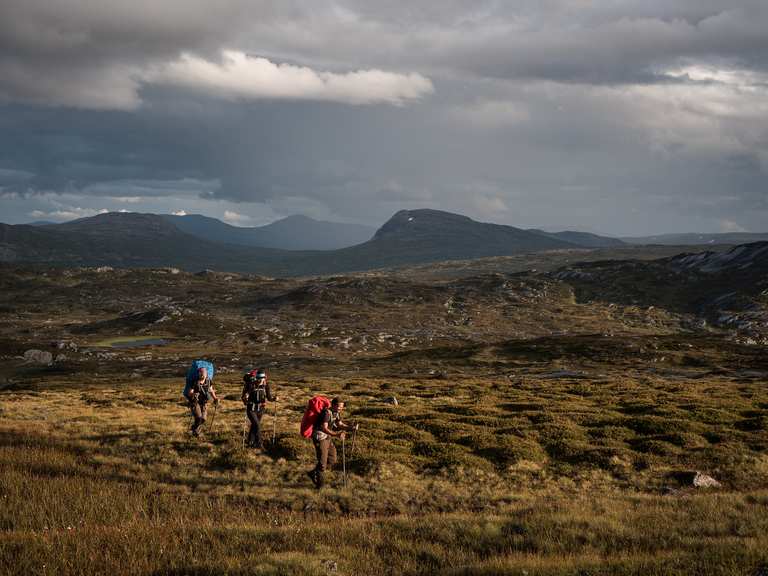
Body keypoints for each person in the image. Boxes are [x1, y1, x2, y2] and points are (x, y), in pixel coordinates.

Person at [307, 397, 354, 488]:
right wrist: (336, 435)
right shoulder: (326, 413)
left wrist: (350, 428)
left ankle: (313, 473)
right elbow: (324, 428)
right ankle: (320, 486)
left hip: (328, 437)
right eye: (339, 407)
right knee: (322, 462)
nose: (341, 409)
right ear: (333, 405)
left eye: (342, 407)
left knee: (332, 459)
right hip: (320, 438)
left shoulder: (336, 413)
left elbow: (340, 424)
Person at [240, 368, 278, 449]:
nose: (261, 381)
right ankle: (259, 444)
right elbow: (243, 397)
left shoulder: (266, 385)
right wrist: (245, 399)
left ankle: (250, 441)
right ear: (257, 378)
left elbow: (269, 397)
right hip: (251, 409)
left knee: (254, 425)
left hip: (261, 409)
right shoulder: (251, 385)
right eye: (260, 379)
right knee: (257, 425)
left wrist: (274, 399)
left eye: (263, 379)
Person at [184, 366, 219, 437]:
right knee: (198, 417)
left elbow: (211, 390)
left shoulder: (208, 381)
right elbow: (190, 392)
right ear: (198, 374)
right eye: (200, 372)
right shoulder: (195, 382)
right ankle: (197, 433)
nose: (202, 374)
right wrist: (194, 394)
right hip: (195, 402)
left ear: (206, 373)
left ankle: (193, 428)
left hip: (204, 402)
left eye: (203, 372)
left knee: (203, 419)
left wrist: (215, 398)